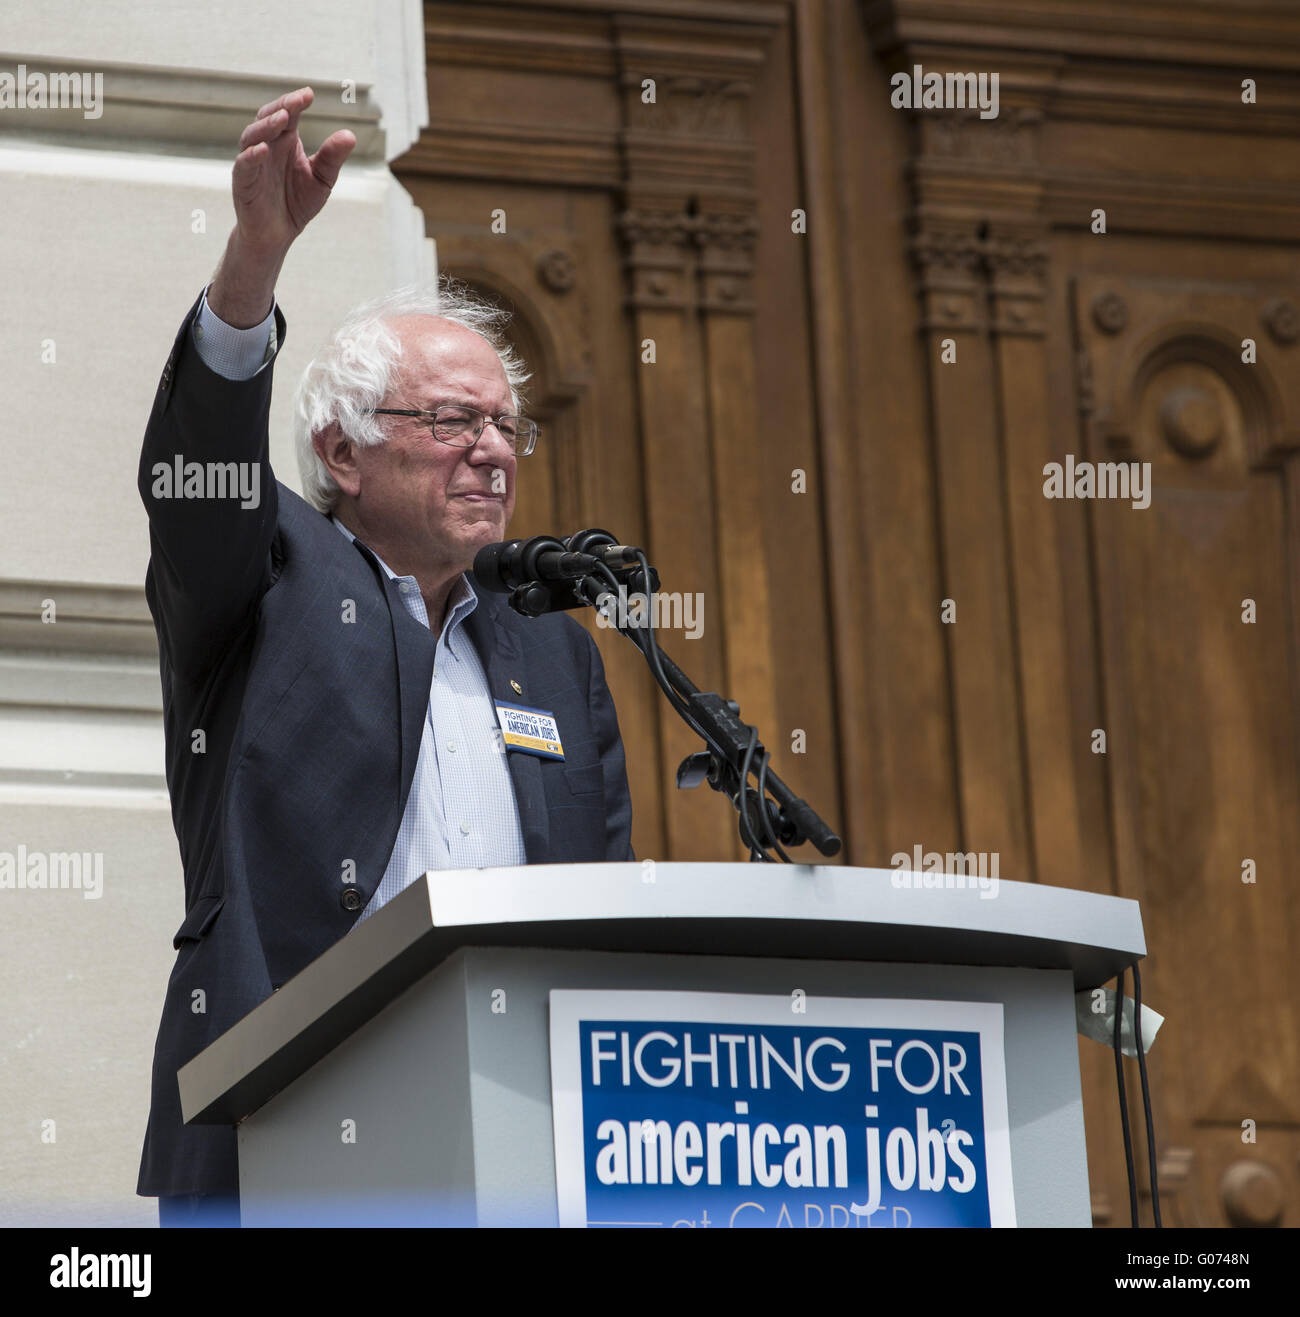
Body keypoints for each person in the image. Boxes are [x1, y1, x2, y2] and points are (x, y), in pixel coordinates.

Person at [136, 87, 635, 1227]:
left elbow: (600, 915)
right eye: (452, 422)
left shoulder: (555, 659)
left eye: (508, 425)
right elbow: (197, 470)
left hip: (524, 1138)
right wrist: (254, 260)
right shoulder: (264, 580)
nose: (494, 452)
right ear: (341, 452)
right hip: (291, 1121)